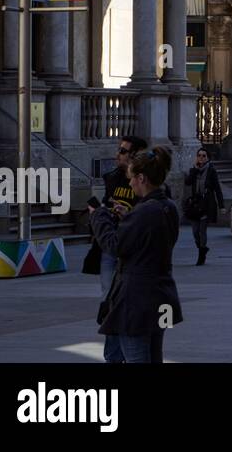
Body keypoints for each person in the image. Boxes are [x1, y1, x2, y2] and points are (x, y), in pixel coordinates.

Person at [88, 146, 182, 363]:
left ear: (142, 178)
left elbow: (114, 246)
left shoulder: (145, 211)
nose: (129, 183)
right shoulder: (168, 206)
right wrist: (128, 217)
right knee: (152, 355)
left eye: (131, 178)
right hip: (162, 294)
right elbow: (148, 239)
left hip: (138, 299)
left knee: (137, 358)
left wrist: (99, 216)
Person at [86, 135, 148, 363]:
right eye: (119, 149)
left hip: (130, 251)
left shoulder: (147, 186)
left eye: (122, 151)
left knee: (121, 303)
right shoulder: (112, 178)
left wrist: (125, 215)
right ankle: (114, 356)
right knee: (109, 300)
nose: (117, 154)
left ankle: (118, 355)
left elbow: (145, 219)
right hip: (111, 247)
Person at [183, 147, 224, 266]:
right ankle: (202, 247)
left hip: (206, 204)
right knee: (195, 231)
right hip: (195, 205)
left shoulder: (211, 171)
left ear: (208, 158)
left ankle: (201, 255)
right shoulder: (193, 170)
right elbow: (187, 182)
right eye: (199, 155)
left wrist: (221, 205)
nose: (201, 158)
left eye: (203, 156)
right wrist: (195, 170)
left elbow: (217, 189)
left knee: (202, 231)